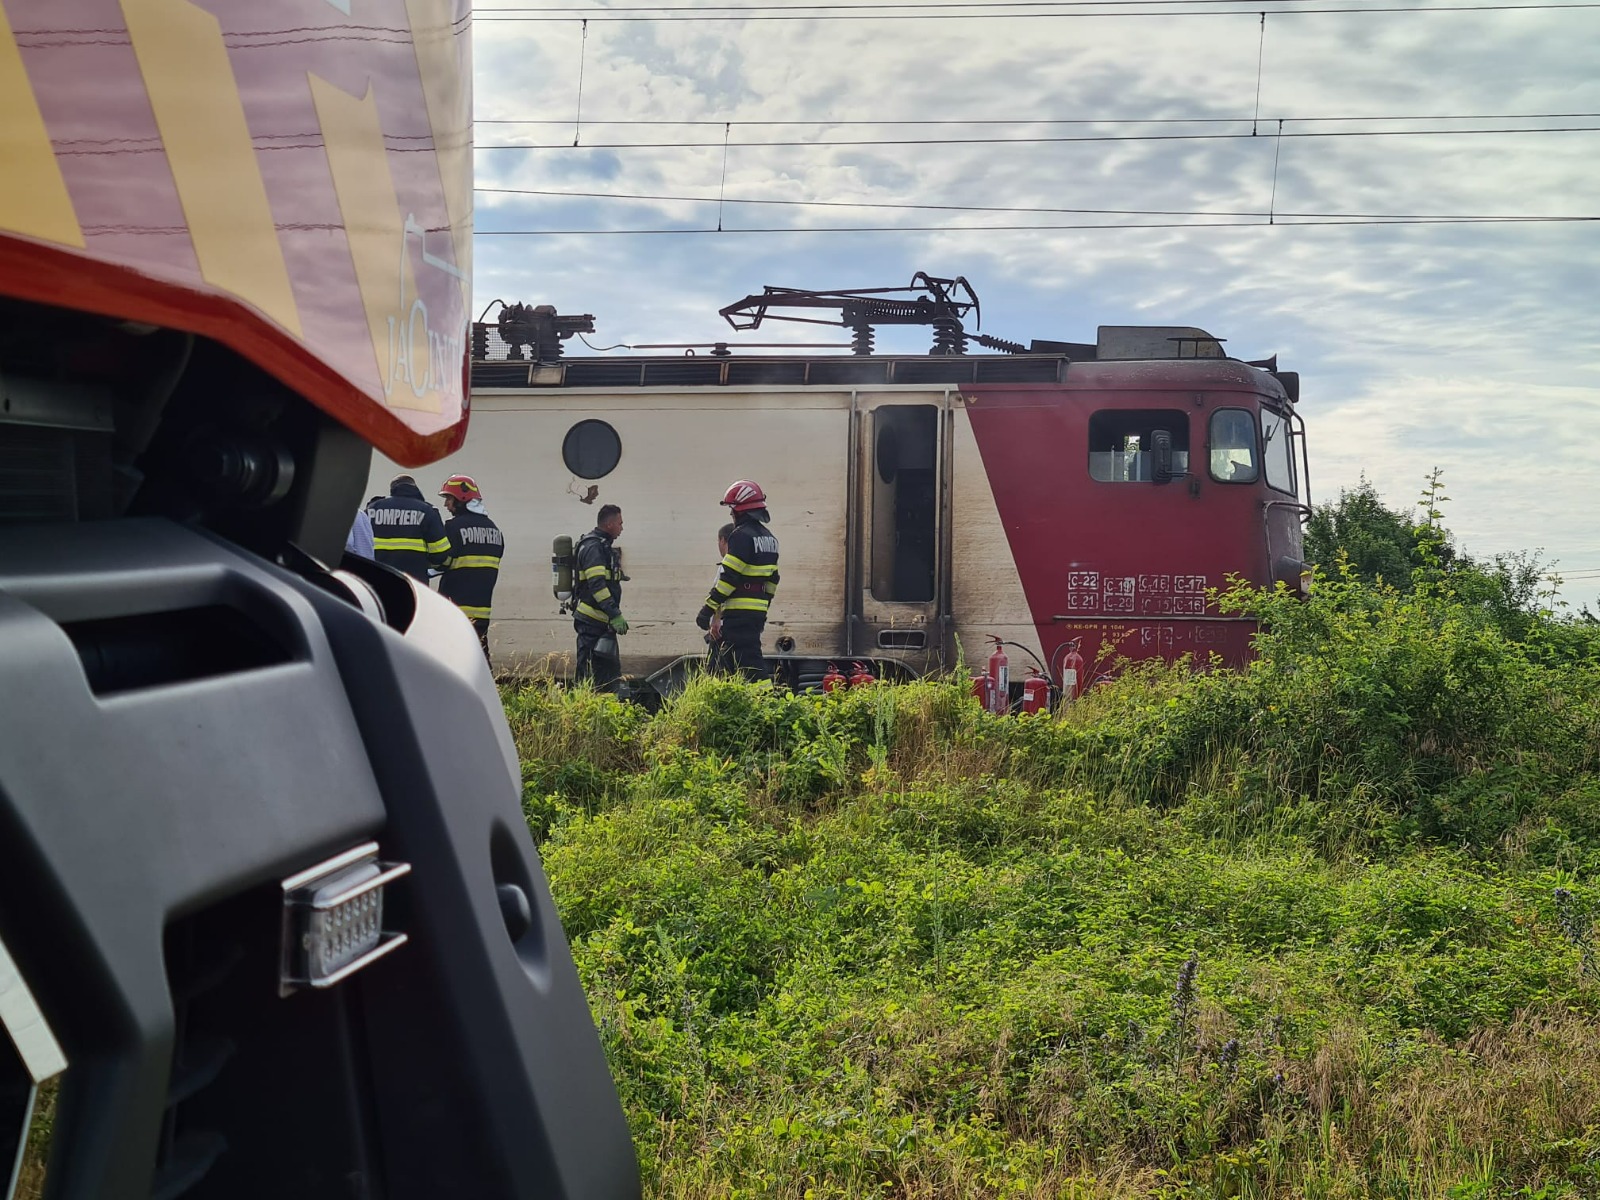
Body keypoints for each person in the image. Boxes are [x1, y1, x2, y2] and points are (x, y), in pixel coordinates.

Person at [696, 481, 778, 678]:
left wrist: (707, 609)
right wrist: (763, 606)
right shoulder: (770, 539)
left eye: (732, 510)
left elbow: (728, 577)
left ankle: (765, 701)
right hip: (755, 613)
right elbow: (774, 579)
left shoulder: (741, 536)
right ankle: (733, 703)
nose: (731, 515)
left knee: (750, 666)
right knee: (732, 664)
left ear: (741, 511)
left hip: (739, 613)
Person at [436, 474, 505, 664]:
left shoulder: (452, 527)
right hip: (482, 611)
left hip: (455, 608)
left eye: (449, 499)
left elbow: (442, 562)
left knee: (452, 661)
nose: (446, 505)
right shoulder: (495, 530)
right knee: (480, 659)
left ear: (461, 499)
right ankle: (488, 693)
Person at [572, 504, 627, 690]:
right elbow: (597, 586)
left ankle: (606, 711)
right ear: (610, 524)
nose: (622, 527)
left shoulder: (602, 546)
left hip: (602, 622)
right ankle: (582, 710)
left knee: (608, 675)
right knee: (587, 673)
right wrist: (615, 613)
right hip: (591, 622)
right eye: (620, 523)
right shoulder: (593, 547)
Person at [368, 474, 449, 581]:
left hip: (378, 577)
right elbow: (440, 553)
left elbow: (361, 545)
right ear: (414, 488)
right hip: (415, 580)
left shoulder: (373, 509)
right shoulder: (427, 510)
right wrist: (427, 565)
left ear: (392, 489)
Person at [702, 522, 736, 671]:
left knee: (715, 670)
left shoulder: (727, 564)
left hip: (722, 628)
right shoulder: (742, 563)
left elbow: (720, 593)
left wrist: (715, 620)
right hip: (739, 625)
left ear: (723, 540)